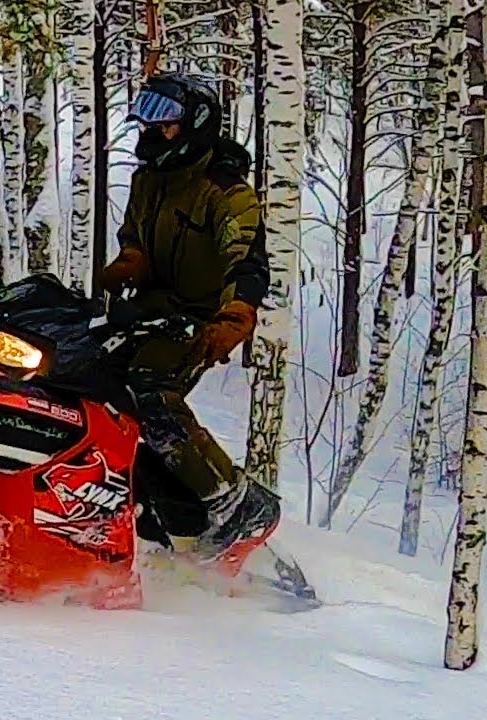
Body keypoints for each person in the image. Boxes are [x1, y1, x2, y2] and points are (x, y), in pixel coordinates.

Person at [97, 71, 278, 563]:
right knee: (87, 374)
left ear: (195, 124)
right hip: (148, 308)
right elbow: (134, 237)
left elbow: (246, 261)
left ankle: (233, 502)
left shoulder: (227, 192)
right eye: (148, 120)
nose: (152, 132)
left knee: (150, 391)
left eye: (166, 124)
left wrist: (234, 315)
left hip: (197, 319)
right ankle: (135, 498)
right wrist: (127, 265)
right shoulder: (148, 178)